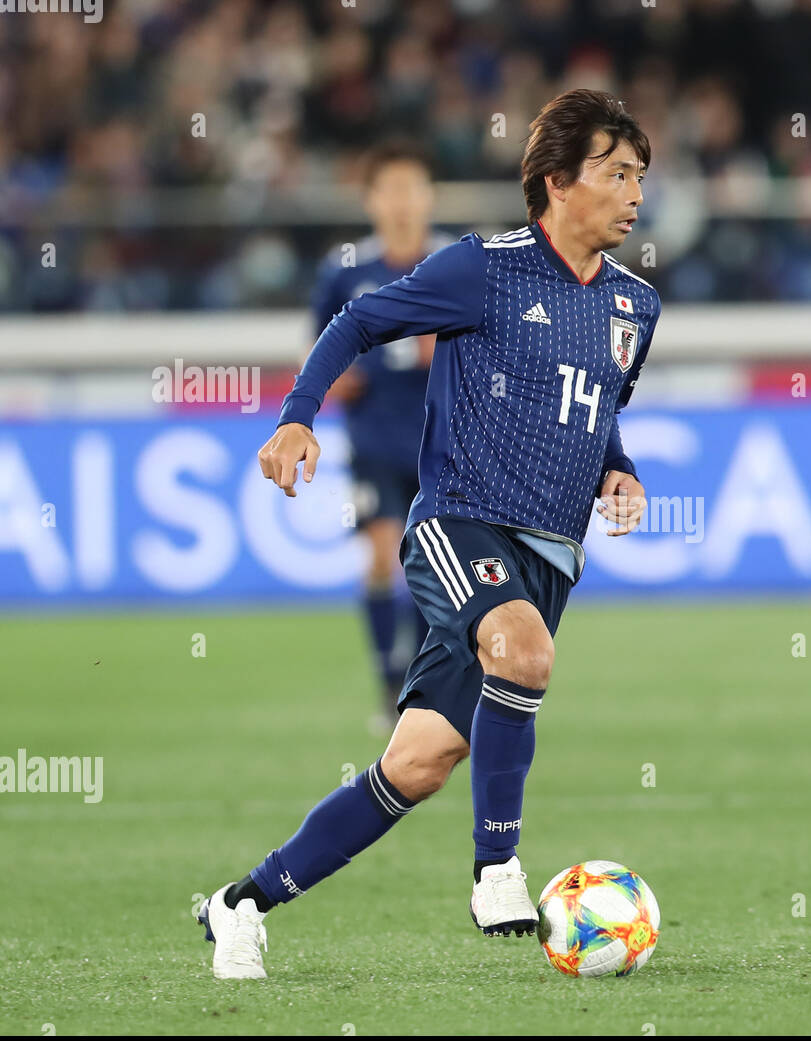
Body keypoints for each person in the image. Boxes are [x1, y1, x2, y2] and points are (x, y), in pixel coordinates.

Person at [198, 90, 660, 979]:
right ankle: (497, 868)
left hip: (551, 553)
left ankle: (240, 904)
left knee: (418, 763)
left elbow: (598, 412)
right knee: (522, 656)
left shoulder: (636, 306)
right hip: (459, 518)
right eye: (617, 173)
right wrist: (297, 417)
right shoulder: (484, 269)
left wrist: (622, 467)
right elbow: (359, 320)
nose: (635, 192)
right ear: (559, 183)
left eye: (640, 175)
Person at [310, 141, 446, 730]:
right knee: (381, 556)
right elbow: (320, 352)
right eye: (389, 190)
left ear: (429, 197)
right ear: (370, 201)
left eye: (411, 189)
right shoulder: (345, 274)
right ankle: (388, 684)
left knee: (429, 564)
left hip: (442, 445)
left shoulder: (453, 265)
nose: (401, 203)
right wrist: (341, 379)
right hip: (372, 442)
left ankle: (418, 685)